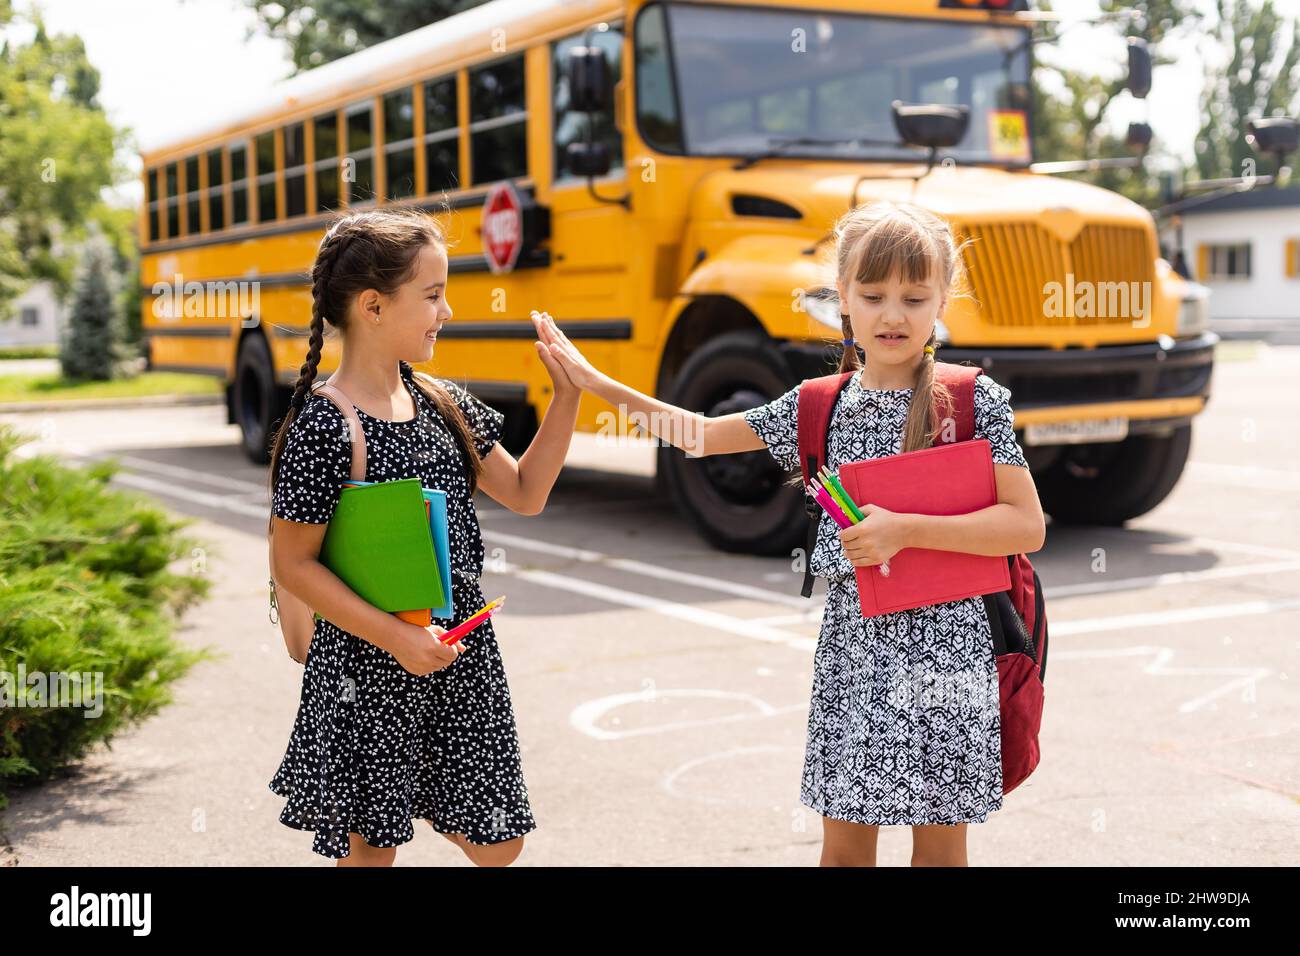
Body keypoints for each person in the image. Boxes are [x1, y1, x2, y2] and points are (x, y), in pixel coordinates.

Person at [540, 199, 1046, 866]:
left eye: (914, 297)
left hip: (951, 658)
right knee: (842, 853)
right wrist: (600, 384)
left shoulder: (974, 401)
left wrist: (905, 531)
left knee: (941, 855)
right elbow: (698, 436)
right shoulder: (818, 404)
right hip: (854, 652)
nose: (892, 314)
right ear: (842, 297)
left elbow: (1026, 525)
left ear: (943, 300)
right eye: (872, 295)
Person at [266, 208, 579, 866]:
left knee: (500, 842)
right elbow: (293, 565)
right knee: (370, 855)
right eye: (433, 295)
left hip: (456, 655)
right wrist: (399, 638)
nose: (448, 310)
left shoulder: (444, 402)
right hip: (367, 665)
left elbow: (526, 492)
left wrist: (567, 399)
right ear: (373, 307)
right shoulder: (324, 425)